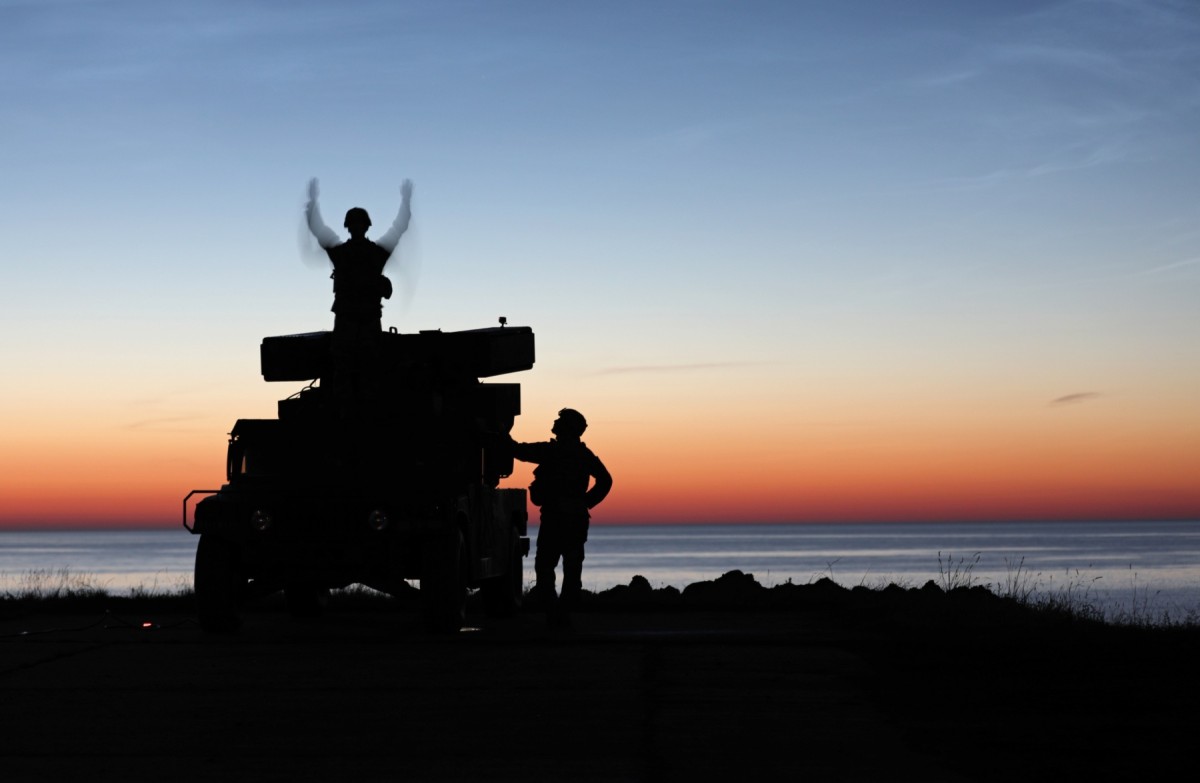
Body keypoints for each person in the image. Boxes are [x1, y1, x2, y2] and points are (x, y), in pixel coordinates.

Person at [305, 178, 413, 402]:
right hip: (352, 320)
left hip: (363, 320)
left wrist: (406, 202)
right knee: (350, 370)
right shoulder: (358, 253)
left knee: (366, 369)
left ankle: (361, 412)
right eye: (354, 224)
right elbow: (318, 230)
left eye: (357, 223)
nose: (356, 227)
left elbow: (399, 229)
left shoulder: (359, 253)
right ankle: (350, 413)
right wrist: (312, 205)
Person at [510, 408, 612, 627]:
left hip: (557, 518)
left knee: (548, 565)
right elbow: (605, 480)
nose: (555, 422)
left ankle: (555, 612)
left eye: (560, 420)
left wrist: (585, 502)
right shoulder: (582, 455)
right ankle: (561, 613)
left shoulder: (552, 452)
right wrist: (585, 502)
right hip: (573, 518)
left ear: (567, 427)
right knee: (570, 566)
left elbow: (519, 451)